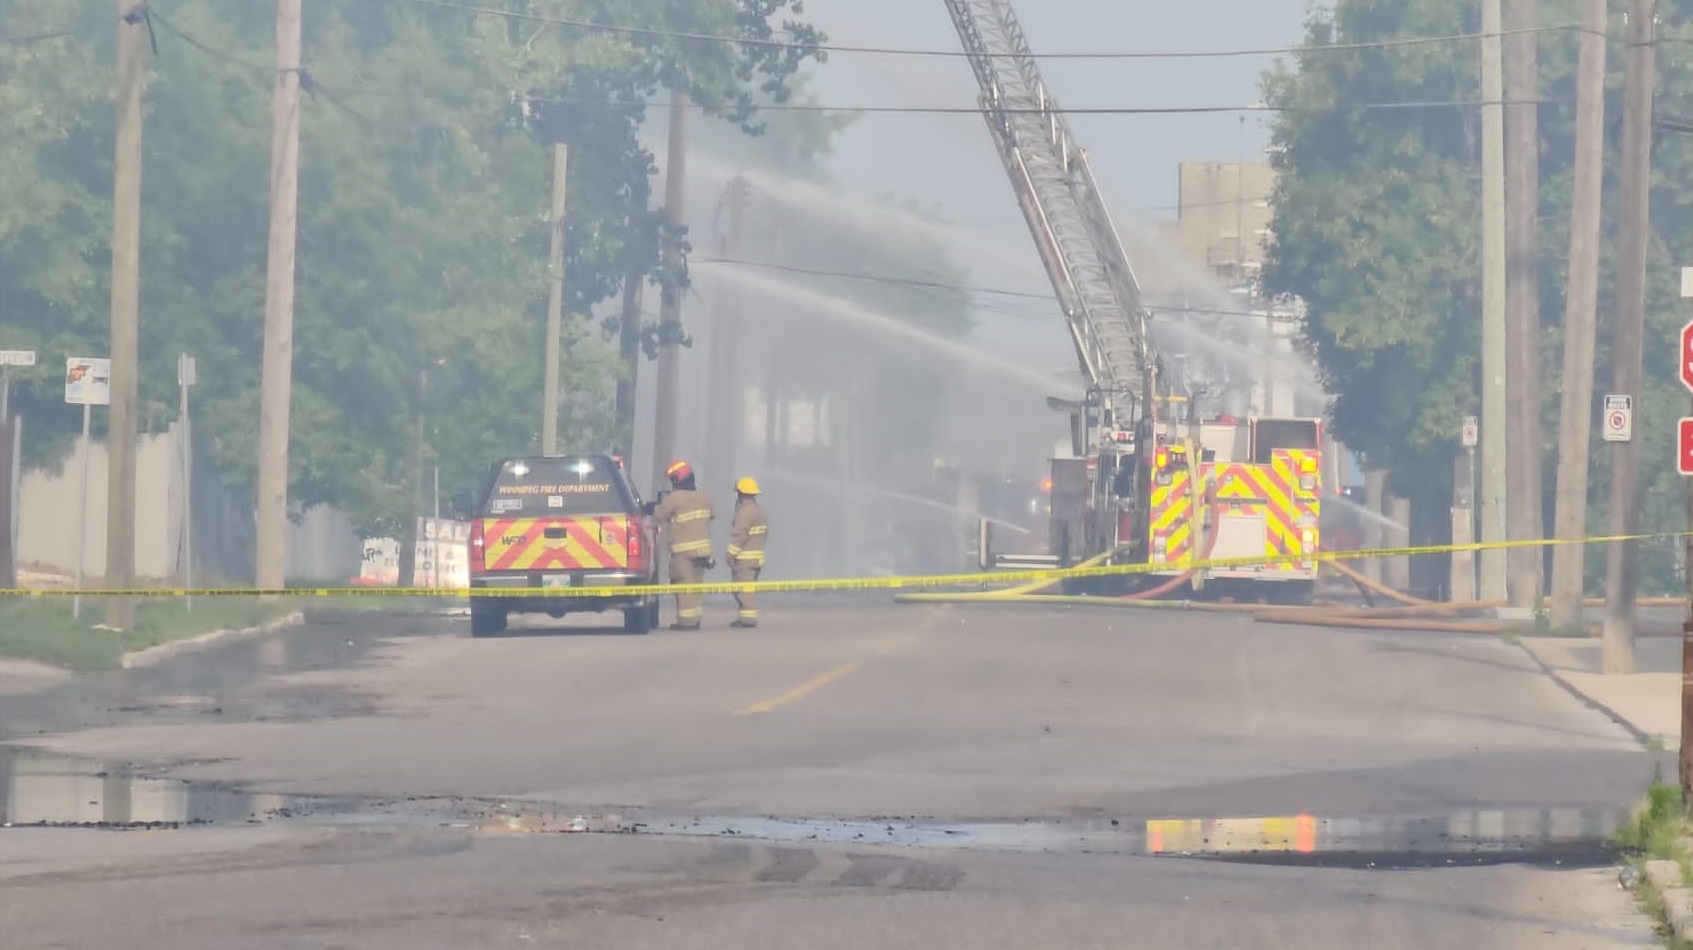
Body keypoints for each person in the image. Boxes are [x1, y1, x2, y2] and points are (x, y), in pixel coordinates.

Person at [652, 460, 715, 629]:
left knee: (683, 585)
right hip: (702, 551)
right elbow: (712, 514)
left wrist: (655, 506)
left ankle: (686, 622)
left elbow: (658, 515)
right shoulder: (704, 497)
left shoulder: (674, 499)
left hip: (683, 552)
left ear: (676, 480)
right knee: (696, 586)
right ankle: (695, 619)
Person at [725, 477, 768, 628]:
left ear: (741, 493)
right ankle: (745, 618)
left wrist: (730, 555)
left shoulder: (744, 513)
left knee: (743, 590)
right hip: (756, 559)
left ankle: (748, 619)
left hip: (744, 559)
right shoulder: (760, 511)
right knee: (748, 589)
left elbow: (739, 535)